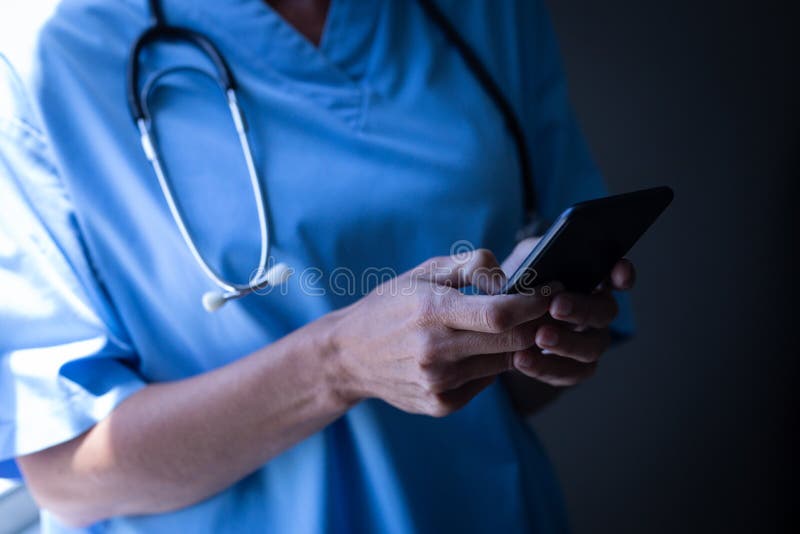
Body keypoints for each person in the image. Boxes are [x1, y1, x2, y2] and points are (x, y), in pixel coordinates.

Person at [0, 0, 635, 532]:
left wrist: (531, 331)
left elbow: (510, 394)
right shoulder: (46, 56)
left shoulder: (485, 12)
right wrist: (336, 364)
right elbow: (67, 477)